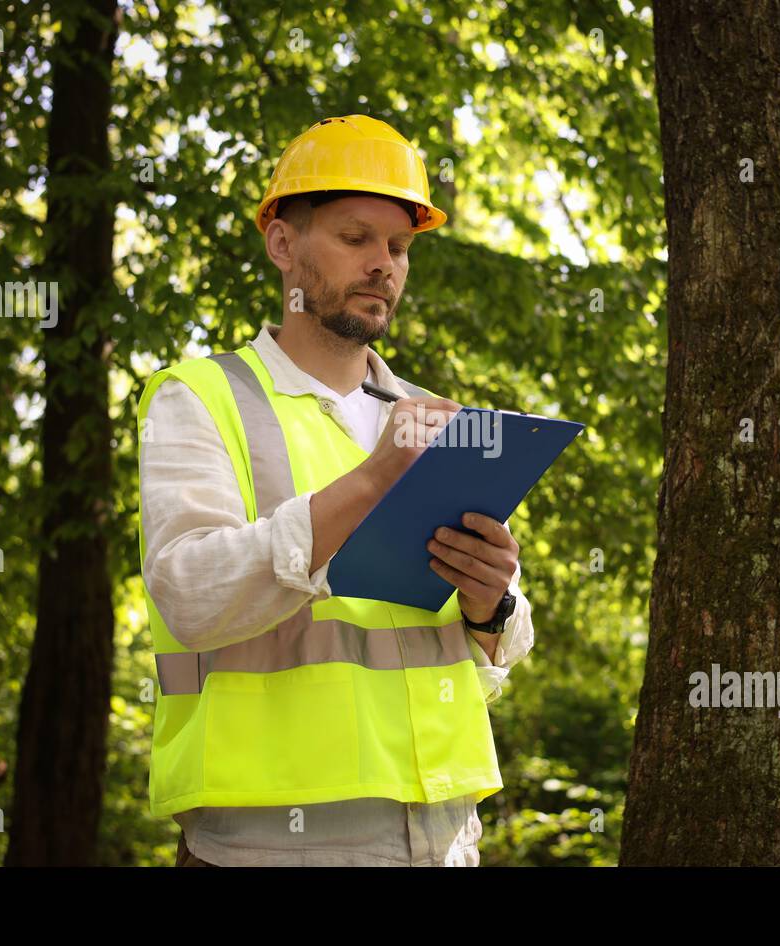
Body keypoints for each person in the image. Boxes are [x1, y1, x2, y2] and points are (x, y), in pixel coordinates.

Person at [137, 115, 535, 866]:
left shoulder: (440, 417)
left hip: (445, 842)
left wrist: (495, 602)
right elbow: (187, 595)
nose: (383, 264)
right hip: (268, 849)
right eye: (356, 239)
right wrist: (376, 477)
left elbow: (502, 646)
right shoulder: (198, 398)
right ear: (283, 243)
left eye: (399, 247)